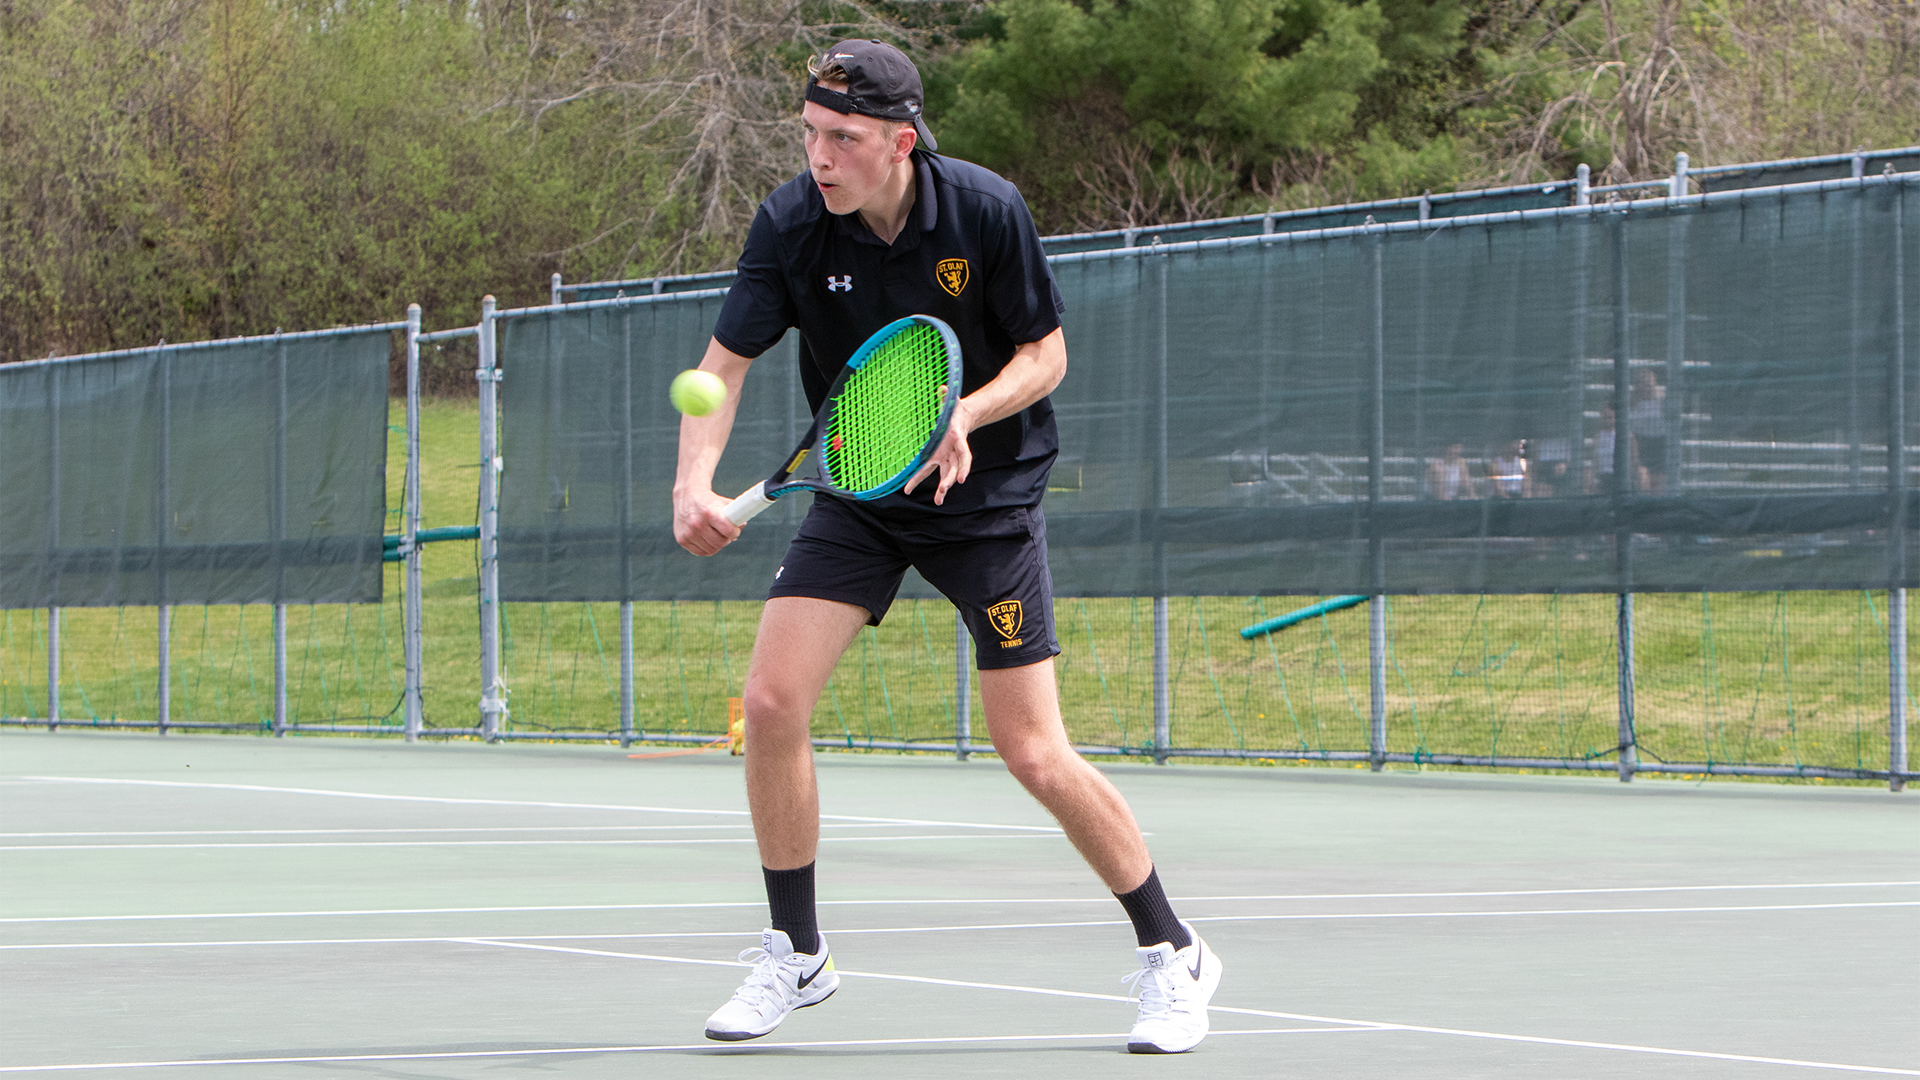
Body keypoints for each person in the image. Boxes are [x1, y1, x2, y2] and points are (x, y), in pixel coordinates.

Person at [671, 40, 1221, 1054]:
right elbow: (721, 369)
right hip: (861, 490)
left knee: (1033, 751)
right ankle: (797, 953)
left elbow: (1046, 354)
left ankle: (1173, 950)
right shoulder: (791, 223)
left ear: (901, 141)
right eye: (809, 134)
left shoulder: (984, 209)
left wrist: (964, 413)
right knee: (772, 703)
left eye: (844, 138)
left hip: (986, 498)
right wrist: (691, 485)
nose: (820, 157)